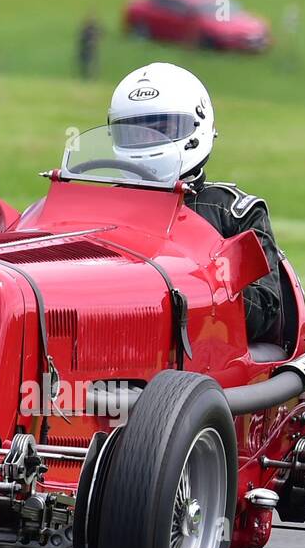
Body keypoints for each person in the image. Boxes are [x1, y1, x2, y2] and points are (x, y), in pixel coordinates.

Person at [107, 62, 282, 344]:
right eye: (135, 133)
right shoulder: (103, 208)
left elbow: (264, 312)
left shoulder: (233, 212)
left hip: (206, 358)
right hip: (115, 344)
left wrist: (199, 280)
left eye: (162, 128)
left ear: (198, 125)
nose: (149, 140)